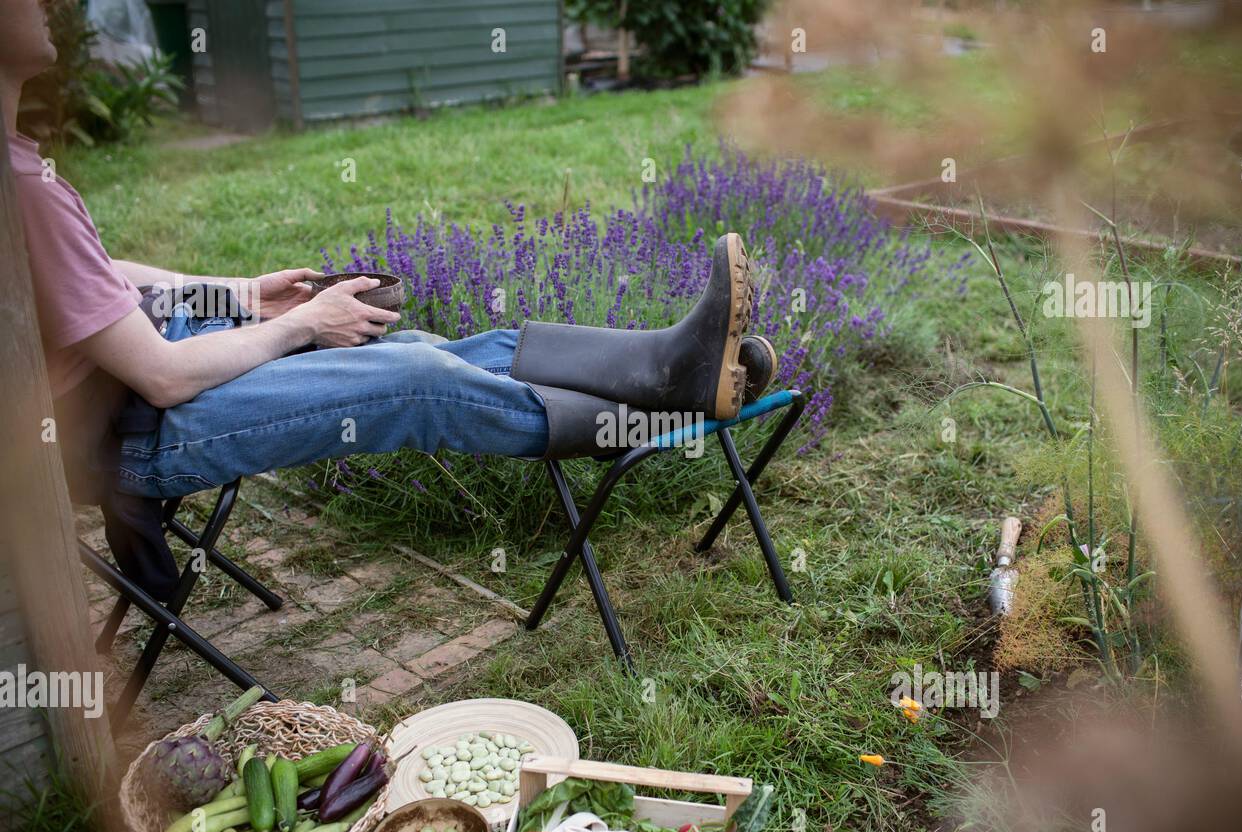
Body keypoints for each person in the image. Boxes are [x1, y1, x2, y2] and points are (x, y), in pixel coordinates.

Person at [2, 0, 777, 503]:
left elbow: (104, 281)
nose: (47, 3)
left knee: (424, 346)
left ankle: (672, 368)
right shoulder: (18, 189)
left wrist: (239, 295)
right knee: (414, 380)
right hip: (127, 439)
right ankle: (650, 412)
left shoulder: (16, 171)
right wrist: (303, 325)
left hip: (138, 384)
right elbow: (164, 379)